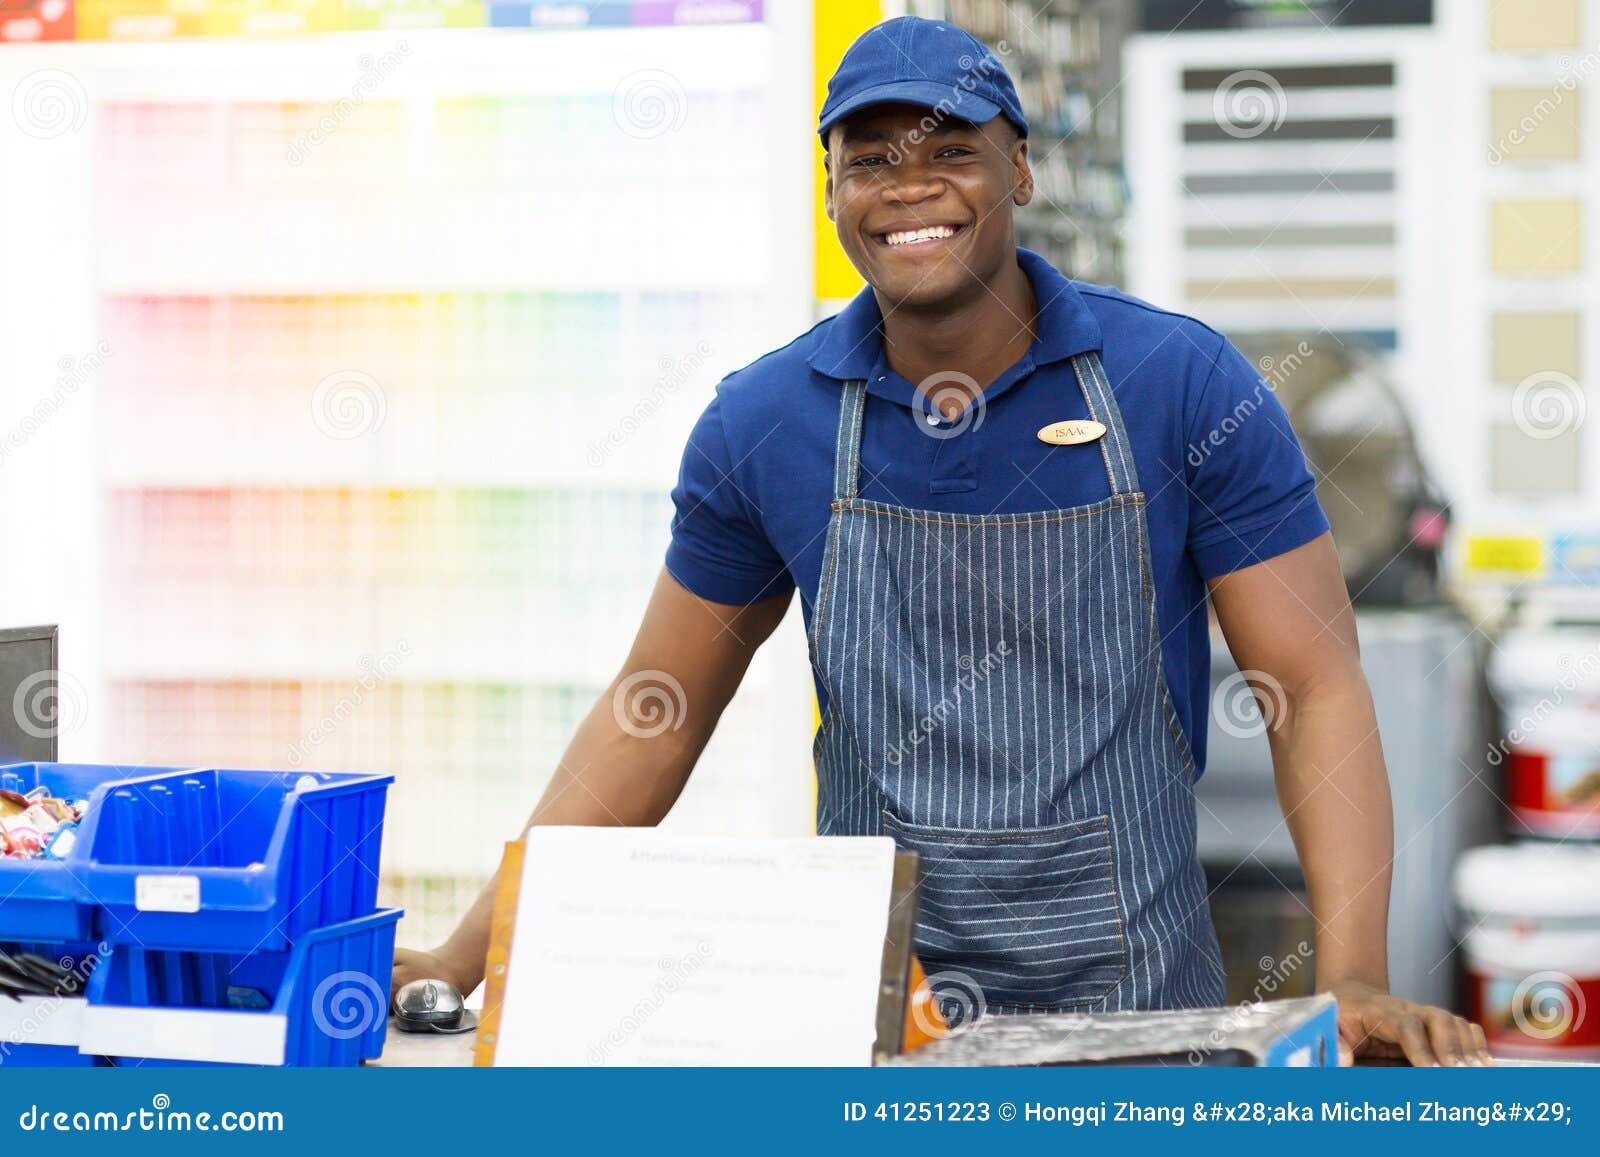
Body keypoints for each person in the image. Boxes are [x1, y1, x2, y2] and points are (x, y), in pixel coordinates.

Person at [394, 15, 1489, 1066]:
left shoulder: (1178, 384)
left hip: (1140, 1025)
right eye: (868, 159)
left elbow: (1311, 683)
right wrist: (469, 952)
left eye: (950, 151)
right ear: (831, 190)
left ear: (1018, 169)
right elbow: (653, 712)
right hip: (872, 1021)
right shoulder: (765, 419)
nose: (908, 187)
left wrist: (1348, 973)